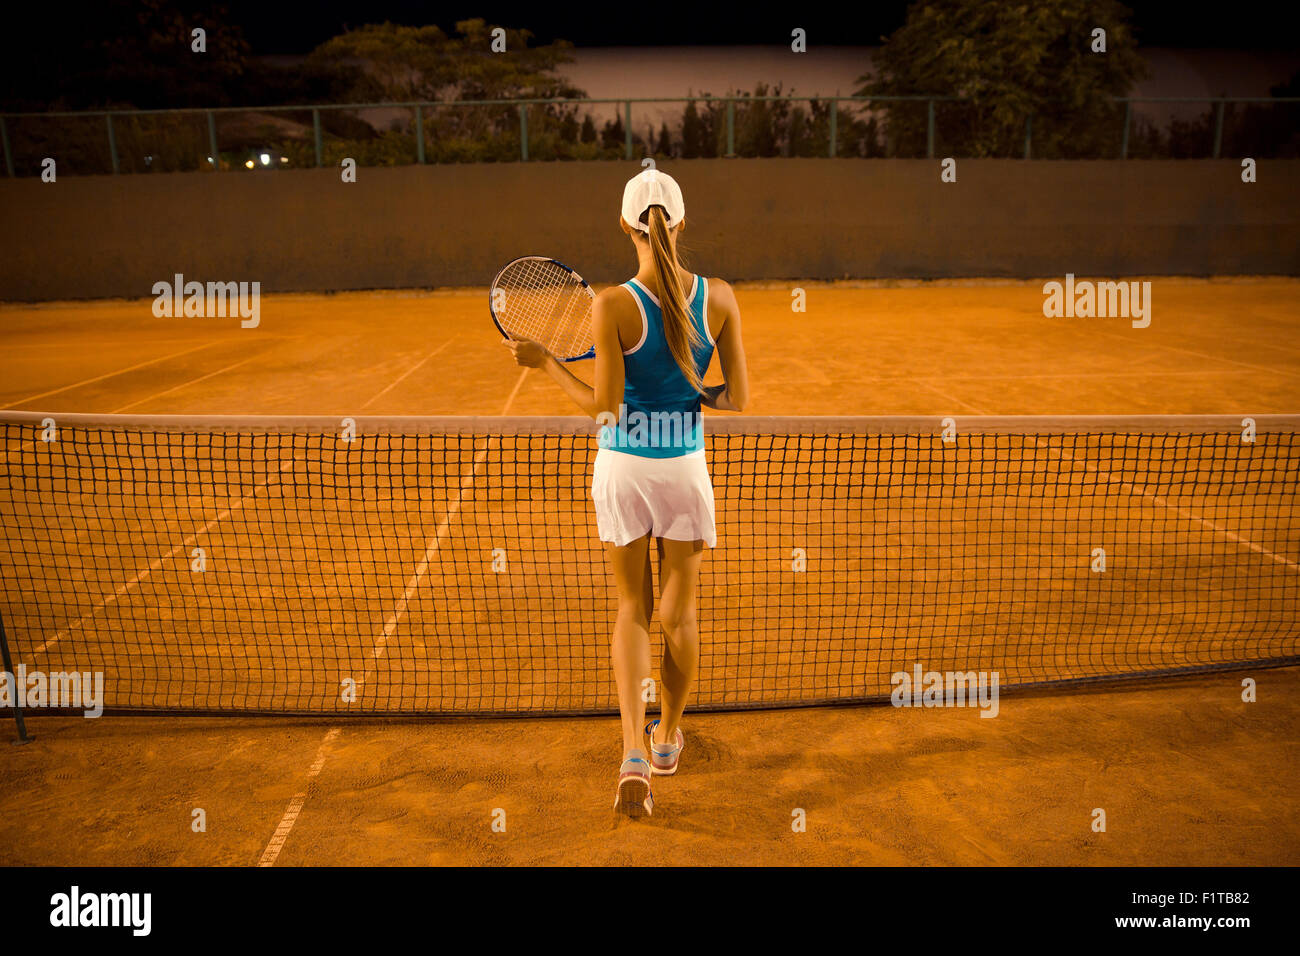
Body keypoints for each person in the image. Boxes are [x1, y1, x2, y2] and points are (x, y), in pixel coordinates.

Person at [504, 168, 749, 817]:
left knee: (632, 609)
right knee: (681, 617)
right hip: (683, 473)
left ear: (625, 224)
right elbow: (738, 398)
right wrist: (686, 396)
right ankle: (668, 736)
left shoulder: (612, 303)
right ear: (681, 221)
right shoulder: (719, 297)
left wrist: (548, 363)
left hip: (623, 472)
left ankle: (632, 754)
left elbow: (605, 410)